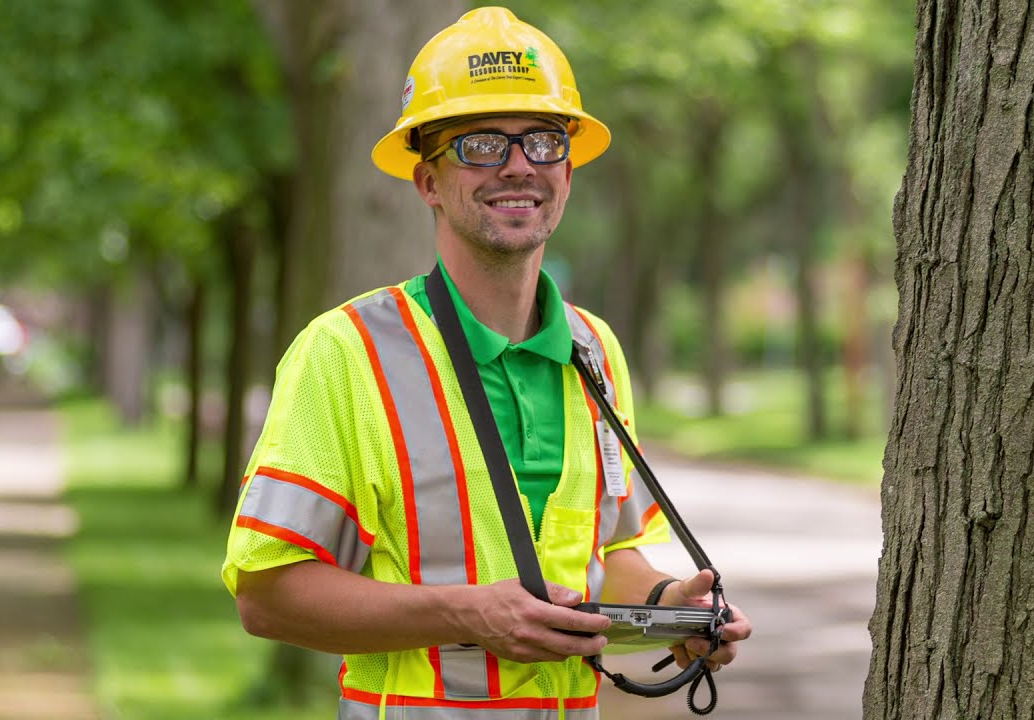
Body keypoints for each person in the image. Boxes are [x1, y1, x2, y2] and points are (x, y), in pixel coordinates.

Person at [221, 7, 751, 719]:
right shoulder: (346, 352)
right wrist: (465, 614)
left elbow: (606, 555)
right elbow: (266, 594)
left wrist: (667, 604)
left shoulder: (594, 350)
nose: (518, 165)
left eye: (543, 141)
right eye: (480, 144)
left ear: (568, 172)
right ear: (427, 181)